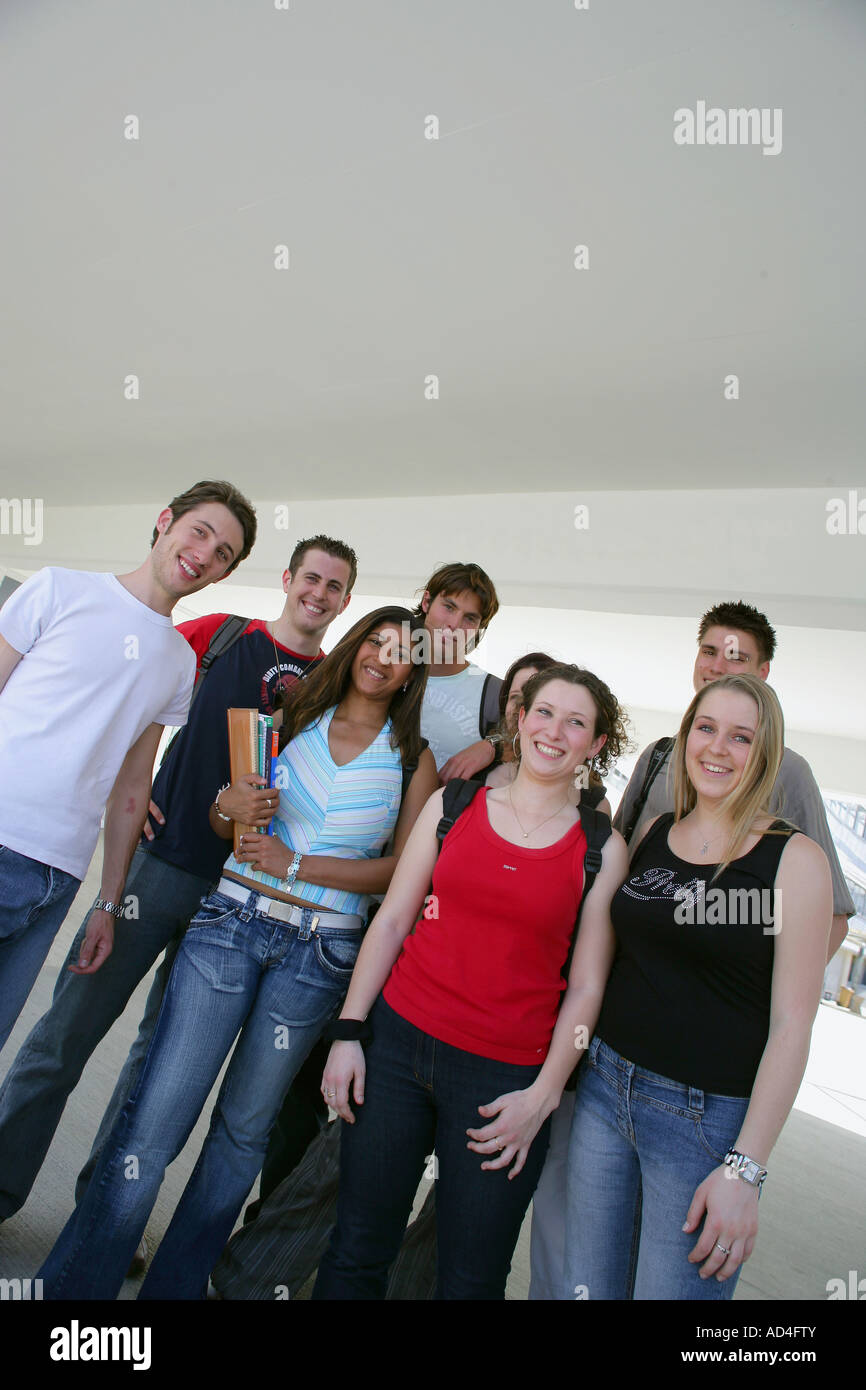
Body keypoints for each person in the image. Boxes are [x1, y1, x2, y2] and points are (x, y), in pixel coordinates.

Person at [38, 606, 438, 1300]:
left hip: (321, 955)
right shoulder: (291, 714)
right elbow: (232, 821)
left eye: (402, 651)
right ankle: (75, 1293)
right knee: (155, 1119)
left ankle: (173, 1291)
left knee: (241, 1137)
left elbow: (403, 870)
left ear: (413, 672)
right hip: (230, 924)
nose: (383, 656)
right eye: (375, 639)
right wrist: (228, 803)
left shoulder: (414, 756)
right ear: (356, 644)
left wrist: (294, 865)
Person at [0, 535, 354, 1231]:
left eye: (335, 585)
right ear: (288, 578)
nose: (319, 592)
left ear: (345, 600)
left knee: (151, 1073)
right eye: (311, 576)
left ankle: (97, 1226)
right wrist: (136, 789)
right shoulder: (214, 636)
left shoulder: (332, 689)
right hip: (158, 869)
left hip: (236, 903)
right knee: (62, 1040)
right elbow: (132, 703)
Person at [311, 664, 630, 1300]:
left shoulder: (602, 846)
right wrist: (349, 1032)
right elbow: (395, 919)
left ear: (596, 745)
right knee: (355, 1251)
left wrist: (542, 1096)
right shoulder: (454, 805)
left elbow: (588, 989)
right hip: (396, 1051)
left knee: (470, 1279)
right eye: (544, 712)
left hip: (504, 1084)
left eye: (576, 723)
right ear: (520, 718)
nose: (554, 731)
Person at [563, 674, 832, 1300]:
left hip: (702, 1125)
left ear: (766, 755)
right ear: (685, 738)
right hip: (605, 1089)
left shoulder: (795, 861)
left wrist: (746, 1170)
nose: (718, 748)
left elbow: (794, 1025)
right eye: (706, 729)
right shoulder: (656, 830)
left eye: (742, 737)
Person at [0, 479, 256, 1055]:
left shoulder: (178, 661)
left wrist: (108, 903)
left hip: (57, 878)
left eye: (224, 554)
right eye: (201, 531)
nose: (205, 554)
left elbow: (132, 789)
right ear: (166, 520)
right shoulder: (59, 589)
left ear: (224, 574)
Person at [613, 601, 852, 956]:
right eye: (709, 651)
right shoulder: (657, 756)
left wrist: (772, 1000)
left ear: (763, 671)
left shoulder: (789, 772)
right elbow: (616, 868)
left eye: (736, 657)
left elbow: (832, 916)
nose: (718, 666)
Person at [413, 561, 503, 777]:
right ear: (427, 602)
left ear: (479, 628)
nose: (454, 624)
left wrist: (491, 745)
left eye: (470, 618)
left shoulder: (493, 692)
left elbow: (528, 735)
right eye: (449, 607)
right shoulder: (386, 671)